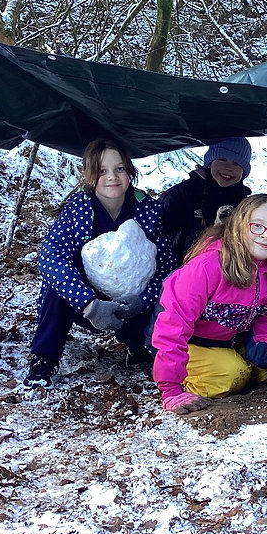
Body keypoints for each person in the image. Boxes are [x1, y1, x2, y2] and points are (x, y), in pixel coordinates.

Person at [25, 138, 176, 385]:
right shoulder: (77, 209)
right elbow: (50, 258)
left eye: (119, 169)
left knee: (166, 297)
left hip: (133, 299)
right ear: (88, 175)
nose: (112, 177)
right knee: (55, 287)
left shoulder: (149, 210)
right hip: (86, 297)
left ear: (130, 171)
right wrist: (89, 304)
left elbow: (167, 266)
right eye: (102, 171)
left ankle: (140, 346)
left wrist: (142, 300)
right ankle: (44, 359)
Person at [152, 194, 267, 414]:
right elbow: (173, 325)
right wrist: (171, 389)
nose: (266, 236)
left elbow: (265, 322)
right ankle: (183, 378)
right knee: (232, 374)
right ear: (239, 225)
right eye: (257, 226)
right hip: (189, 343)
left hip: (229, 341)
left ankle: (238, 366)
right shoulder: (208, 266)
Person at [158, 138, 252, 265]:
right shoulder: (180, 194)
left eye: (237, 163)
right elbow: (159, 238)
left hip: (225, 273)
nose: (229, 168)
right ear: (209, 162)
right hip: (182, 270)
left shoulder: (245, 205)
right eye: (222, 159)